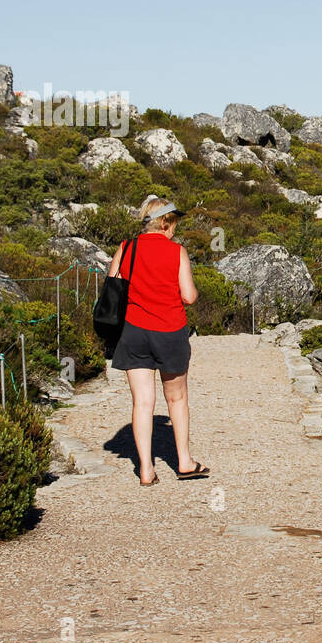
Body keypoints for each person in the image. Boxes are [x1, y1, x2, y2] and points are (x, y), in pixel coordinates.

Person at [107, 197, 208, 486]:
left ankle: (146, 470)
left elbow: (112, 285)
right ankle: (185, 462)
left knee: (142, 402)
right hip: (170, 331)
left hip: (133, 332)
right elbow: (188, 296)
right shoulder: (177, 252)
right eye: (174, 222)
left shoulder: (126, 248)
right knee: (177, 398)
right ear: (165, 222)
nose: (175, 228)